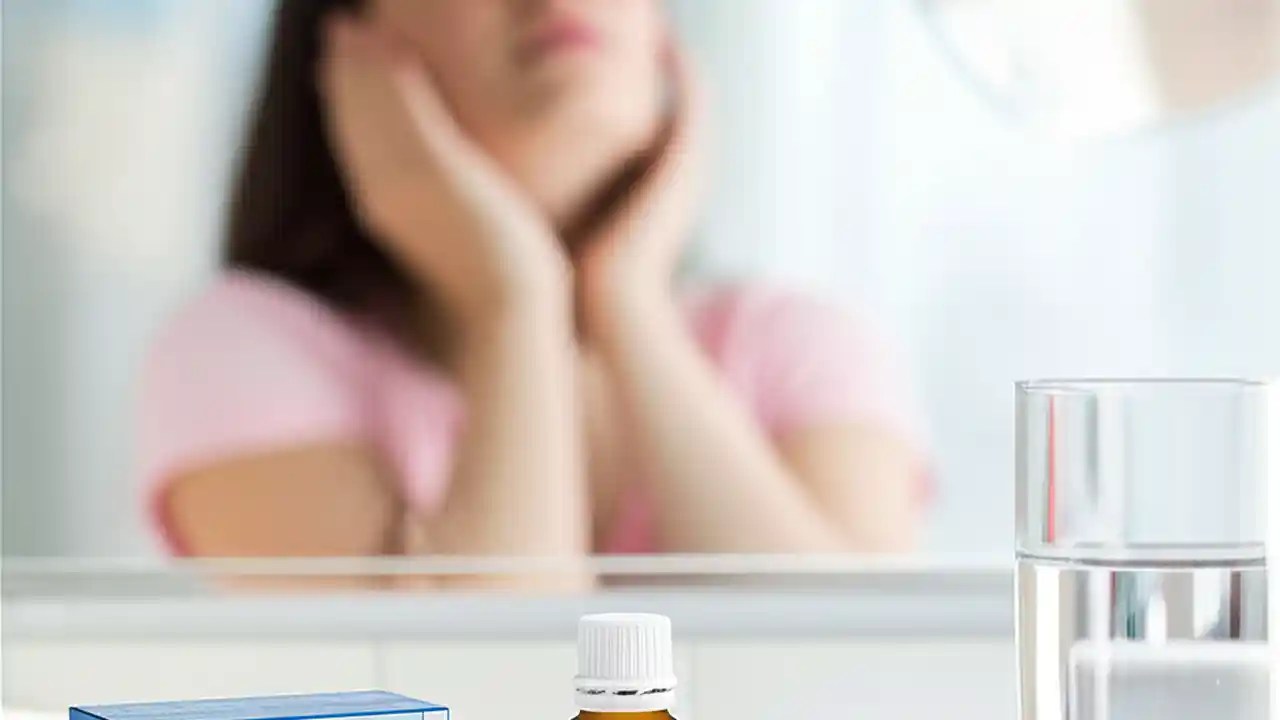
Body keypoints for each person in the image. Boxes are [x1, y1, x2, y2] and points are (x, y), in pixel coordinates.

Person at [139, 0, 928, 586]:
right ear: (346, 41)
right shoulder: (244, 349)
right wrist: (513, 301)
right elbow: (476, 696)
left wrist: (629, 305)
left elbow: (848, 683)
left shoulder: (804, 347)